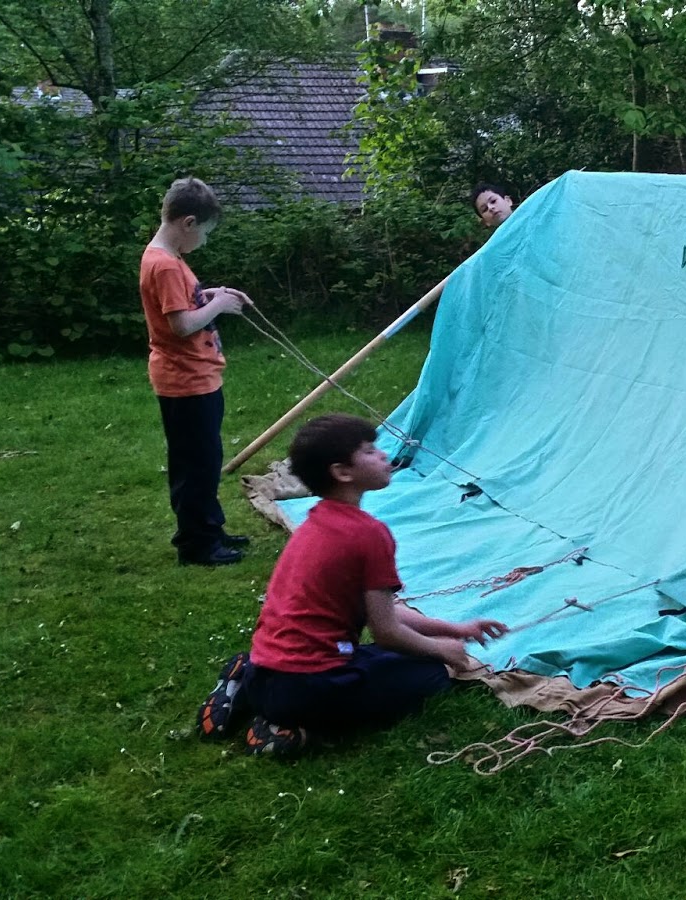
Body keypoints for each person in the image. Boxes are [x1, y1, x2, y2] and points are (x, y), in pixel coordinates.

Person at [195, 414, 510, 757]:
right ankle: (280, 724)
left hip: (266, 667)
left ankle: (244, 684)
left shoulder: (314, 524)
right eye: (371, 451)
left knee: (382, 656)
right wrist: (442, 650)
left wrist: (455, 629)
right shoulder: (369, 535)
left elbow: (385, 611)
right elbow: (386, 630)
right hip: (308, 687)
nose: (383, 456)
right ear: (343, 472)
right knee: (429, 674)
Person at [140, 177, 253, 566]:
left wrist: (213, 294)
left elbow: (182, 307)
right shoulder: (166, 265)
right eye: (204, 233)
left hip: (196, 377)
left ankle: (209, 529)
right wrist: (218, 305)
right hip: (185, 380)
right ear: (187, 223)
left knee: (203, 461)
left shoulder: (166, 260)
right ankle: (196, 544)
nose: (203, 241)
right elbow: (182, 326)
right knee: (196, 466)